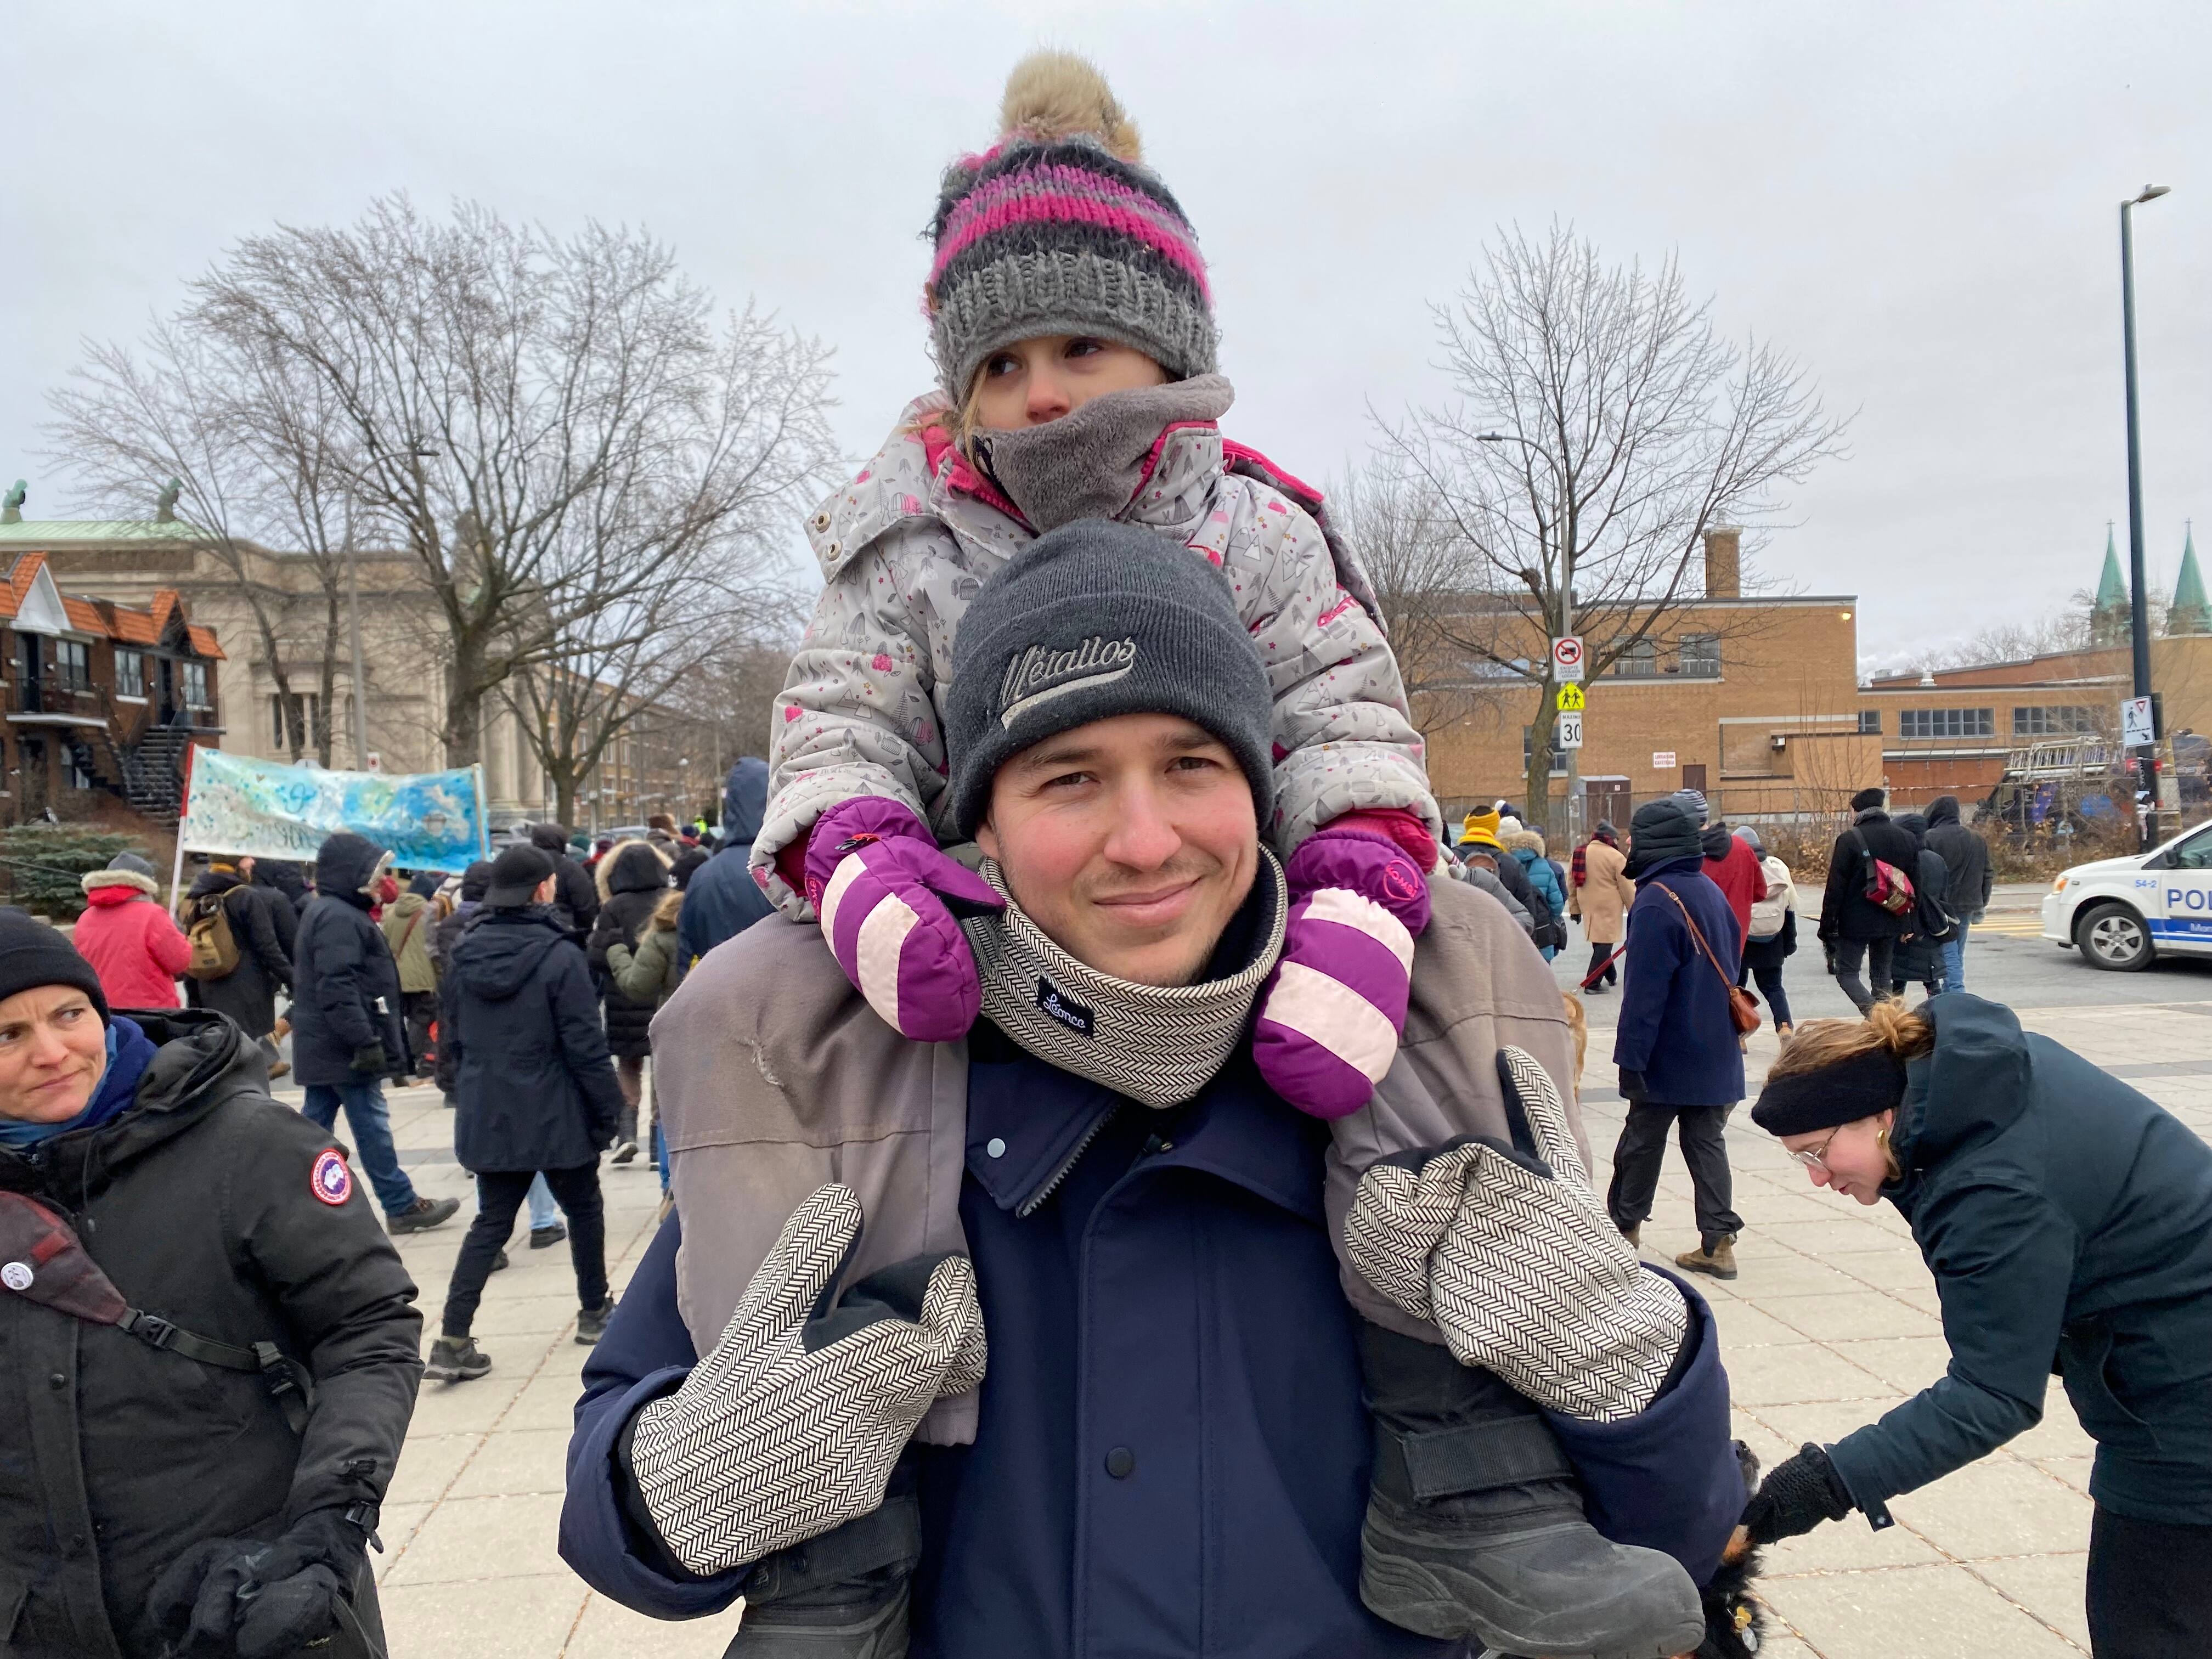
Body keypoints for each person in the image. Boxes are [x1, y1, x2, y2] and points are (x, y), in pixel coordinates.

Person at [561, 519, 1748, 1659]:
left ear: (1265, 795)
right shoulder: (851, 1098)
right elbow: (610, 1495)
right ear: (981, 825)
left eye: (1190, 764)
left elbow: (1670, 1541)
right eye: (1069, 779)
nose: (1144, 840)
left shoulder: (1421, 1081)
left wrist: (1615, 1344)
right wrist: (690, 1481)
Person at [749, 52, 1442, 1126]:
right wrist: (863, 864)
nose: (1041, 396)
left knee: (1436, 1021)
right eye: (1001, 366)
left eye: (1080, 347)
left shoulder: (1252, 528)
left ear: (1166, 358)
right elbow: (840, 720)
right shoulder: (909, 542)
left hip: (1221, 946)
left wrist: (1352, 887)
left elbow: (1339, 715)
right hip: (984, 957)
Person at [0, 911, 421, 1657]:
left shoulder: (247, 1147)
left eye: (70, 1015)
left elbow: (368, 1329)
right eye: (9, 1036)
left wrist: (327, 1526)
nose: (53, 1052)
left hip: (247, 1603)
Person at [1740, 996, 2212, 1656]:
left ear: (1880, 1115)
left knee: (2150, 1626)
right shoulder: (1978, 1077)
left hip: (2186, 1409)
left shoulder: (1990, 1188)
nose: (1818, 1179)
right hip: (2176, 1345)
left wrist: (1821, 1484)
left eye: (1817, 1152)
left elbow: (1993, 1393)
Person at [425, 844, 624, 1381]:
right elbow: (586, 1045)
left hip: (491, 1108)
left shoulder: (465, 954)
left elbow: (454, 1040)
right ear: (542, 889)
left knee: (490, 1222)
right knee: (583, 1209)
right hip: (556, 1109)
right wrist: (608, 1113)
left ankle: (452, 1336)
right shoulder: (560, 956)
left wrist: (461, 1092)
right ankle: (593, 1309)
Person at [1606, 798, 1747, 1280]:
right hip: (1717, 1043)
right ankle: (1719, 1242)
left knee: (1643, 1140)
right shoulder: (1706, 889)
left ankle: (1623, 1232)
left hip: (1667, 1049)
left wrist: (1631, 1057)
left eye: (1634, 836)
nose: (1629, 843)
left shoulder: (1654, 899)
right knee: (1706, 1141)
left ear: (1652, 842)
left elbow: (1645, 995)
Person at [292, 831, 458, 1235]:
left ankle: (289, 1198)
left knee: (312, 1129)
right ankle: (400, 1204)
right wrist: (364, 1040)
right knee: (370, 1126)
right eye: (376, 872)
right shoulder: (338, 918)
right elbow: (339, 985)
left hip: (329, 1047)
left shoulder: (333, 912)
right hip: (345, 1048)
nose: (382, 880)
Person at [586, 837, 672, 1164]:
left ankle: (626, 1133)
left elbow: (595, 956)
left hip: (623, 996)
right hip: (662, 995)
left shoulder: (613, 907)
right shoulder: (668, 901)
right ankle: (657, 1141)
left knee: (629, 1065)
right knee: (661, 1066)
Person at [180, 855, 295, 1063]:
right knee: (251, 1071)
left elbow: (189, 948)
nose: (252, 863)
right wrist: (294, 981)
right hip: (249, 997)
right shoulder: (245, 897)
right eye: (245, 858)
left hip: (209, 993)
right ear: (233, 862)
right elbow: (268, 949)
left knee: (219, 1066)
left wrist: (194, 996)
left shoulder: (195, 897)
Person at [1818, 786, 1918, 1015]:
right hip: (1893, 916)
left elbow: (1835, 888)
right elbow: (1915, 884)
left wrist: (1827, 926)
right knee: (1882, 976)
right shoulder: (1907, 838)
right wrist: (1911, 922)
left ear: (1858, 811)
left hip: (1855, 922)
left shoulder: (1849, 840)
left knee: (1847, 973)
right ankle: (1884, 1025)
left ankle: (1877, 1017)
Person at [678, 755, 777, 966]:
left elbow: (686, 954)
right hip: (788, 993)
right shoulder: (788, 869)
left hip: (718, 994)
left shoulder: (703, 876)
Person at [74, 850, 190, 1010]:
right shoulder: (152, 914)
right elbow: (180, 961)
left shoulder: (85, 918)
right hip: (151, 1013)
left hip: (103, 1011)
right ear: (145, 885)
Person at [1735, 825, 1798, 1040]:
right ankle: (1784, 1026)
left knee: (1736, 990)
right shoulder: (1777, 870)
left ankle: (1739, 1035)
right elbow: (1789, 911)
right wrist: (1789, 944)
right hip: (1772, 940)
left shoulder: (1737, 870)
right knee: (1774, 988)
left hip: (1742, 941)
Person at [380, 870, 444, 1084]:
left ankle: (417, 1060)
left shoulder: (391, 912)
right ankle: (411, 1058)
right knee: (423, 1017)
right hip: (422, 978)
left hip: (395, 976)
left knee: (407, 1018)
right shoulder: (430, 912)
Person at [1923, 794, 1991, 992]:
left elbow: (1925, 872)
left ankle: (1956, 992)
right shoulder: (1976, 838)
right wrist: (1981, 902)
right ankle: (1950, 996)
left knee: (1948, 953)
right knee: (1956, 952)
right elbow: (1987, 873)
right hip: (1968, 904)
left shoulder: (1930, 838)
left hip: (1940, 906)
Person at [1887, 812, 1953, 1002]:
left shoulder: (1901, 861)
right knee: (1932, 982)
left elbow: (1897, 897)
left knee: (1897, 984)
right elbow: (1943, 895)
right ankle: (1939, 1015)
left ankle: (1894, 1022)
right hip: (1931, 926)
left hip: (1905, 928)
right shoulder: (1937, 860)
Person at [1568, 821, 1634, 992]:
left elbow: (1572, 882)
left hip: (1588, 904)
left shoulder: (1580, 852)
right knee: (1605, 944)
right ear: (1611, 839)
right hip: (1608, 906)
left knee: (1600, 942)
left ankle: (1611, 975)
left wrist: (1574, 908)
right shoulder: (1615, 856)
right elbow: (1626, 886)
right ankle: (1592, 983)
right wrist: (1635, 908)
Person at [1694, 808, 1767, 953]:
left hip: (1697, 947)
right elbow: (1760, 892)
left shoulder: (1682, 856)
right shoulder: (1742, 848)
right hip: (1735, 942)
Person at [1503, 825, 1568, 960]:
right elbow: (1557, 902)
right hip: (1541, 927)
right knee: (1543, 971)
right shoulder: (1544, 866)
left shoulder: (1506, 864)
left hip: (1514, 927)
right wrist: (1550, 917)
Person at [529, 821, 601, 943]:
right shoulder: (572, 869)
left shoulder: (524, 867)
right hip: (566, 935)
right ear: (561, 842)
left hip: (530, 934)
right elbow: (586, 907)